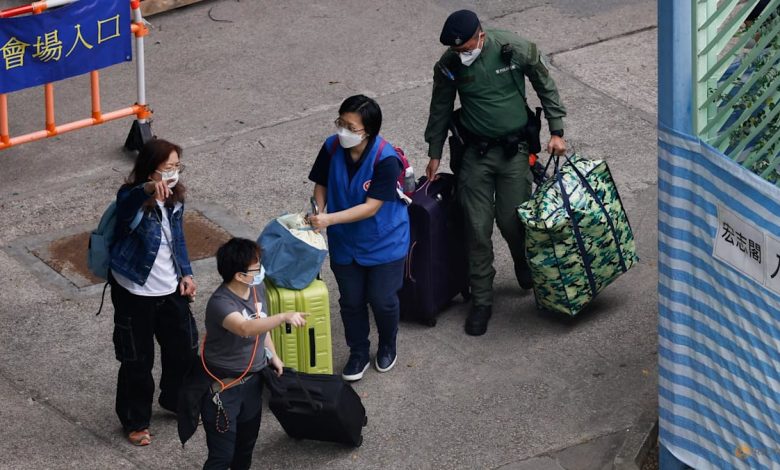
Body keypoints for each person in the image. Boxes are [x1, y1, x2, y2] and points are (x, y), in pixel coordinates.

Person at [423, 10, 568, 336]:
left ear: (481, 36)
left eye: (466, 48)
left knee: (512, 219)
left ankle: (523, 261)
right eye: (456, 50)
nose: (462, 54)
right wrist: (434, 152)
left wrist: (556, 130)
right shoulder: (449, 65)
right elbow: (440, 107)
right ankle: (482, 300)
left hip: (514, 152)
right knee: (476, 227)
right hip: (476, 154)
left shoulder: (513, 48)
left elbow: (544, 82)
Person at [308, 95, 410, 381]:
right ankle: (358, 352)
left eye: (351, 128)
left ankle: (387, 344)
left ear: (369, 131)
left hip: (384, 241)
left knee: (382, 299)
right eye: (341, 123)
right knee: (351, 301)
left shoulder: (386, 160)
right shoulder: (331, 147)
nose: (343, 131)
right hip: (345, 240)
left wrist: (328, 219)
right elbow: (321, 183)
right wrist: (318, 209)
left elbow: (371, 207)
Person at [109, 138, 198, 446]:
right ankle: (136, 420)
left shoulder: (176, 197)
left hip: (170, 288)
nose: (173, 173)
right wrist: (147, 189)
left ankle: (174, 398)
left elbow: (178, 238)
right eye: (167, 168)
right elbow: (126, 205)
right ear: (150, 170)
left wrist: (186, 273)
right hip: (134, 291)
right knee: (137, 359)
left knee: (184, 350)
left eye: (177, 166)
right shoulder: (132, 196)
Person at [198, 238, 306, 469]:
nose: (261, 270)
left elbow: (260, 325)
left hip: (252, 383)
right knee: (222, 455)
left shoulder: (256, 288)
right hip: (224, 387)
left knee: (245, 447)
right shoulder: (221, 303)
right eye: (256, 267)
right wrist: (283, 317)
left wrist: (273, 355)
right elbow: (245, 328)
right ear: (239, 275)